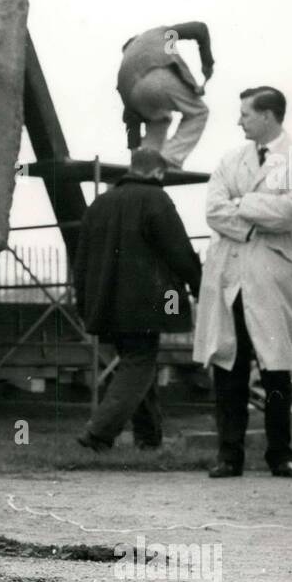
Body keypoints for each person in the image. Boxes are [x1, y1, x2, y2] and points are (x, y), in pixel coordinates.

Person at [193, 87, 292, 478]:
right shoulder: (230, 160)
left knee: (276, 367)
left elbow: (291, 213)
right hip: (231, 277)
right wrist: (256, 217)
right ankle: (229, 455)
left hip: (273, 278)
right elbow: (213, 211)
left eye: (246, 113)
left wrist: (242, 203)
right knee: (230, 365)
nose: (239, 120)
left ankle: (280, 454)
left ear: (268, 116)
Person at [74, 147, 202, 452]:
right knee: (139, 363)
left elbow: (80, 261)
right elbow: (179, 251)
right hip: (145, 304)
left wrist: (84, 302)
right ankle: (99, 432)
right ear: (158, 173)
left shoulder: (100, 204)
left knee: (136, 362)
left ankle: (149, 438)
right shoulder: (156, 199)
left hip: (106, 302)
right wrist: (200, 286)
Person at [117, 22, 215, 169]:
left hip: (133, 96)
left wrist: (134, 153)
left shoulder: (126, 65)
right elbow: (200, 29)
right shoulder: (161, 33)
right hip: (156, 74)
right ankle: (168, 159)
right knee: (199, 112)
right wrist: (207, 63)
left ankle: (146, 161)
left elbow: (132, 120)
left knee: (161, 119)